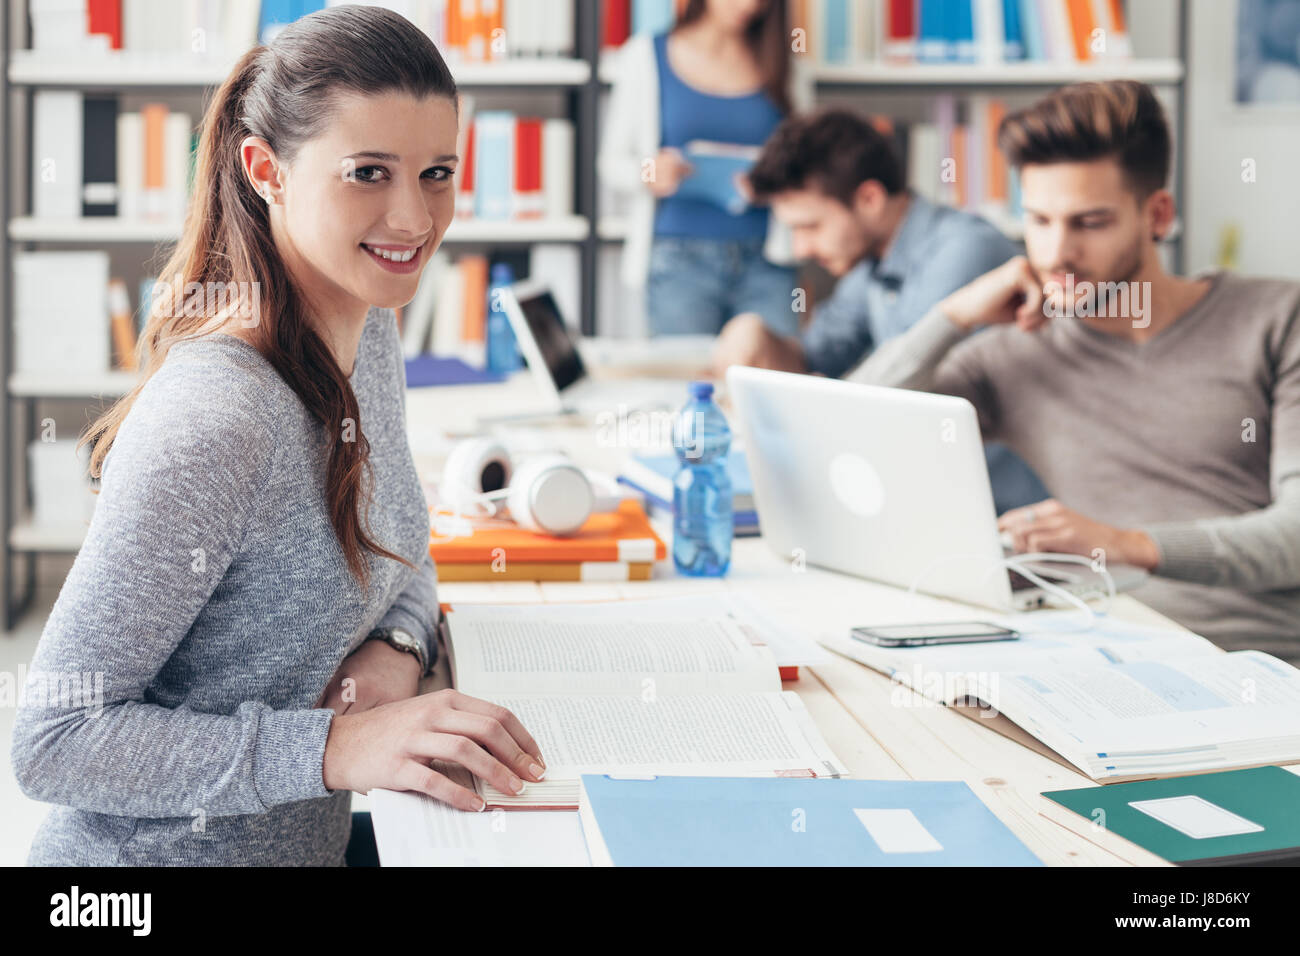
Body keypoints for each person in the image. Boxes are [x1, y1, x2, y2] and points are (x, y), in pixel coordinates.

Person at [10, 7, 544, 866]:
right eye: (368, 172)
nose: (413, 218)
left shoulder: (367, 325)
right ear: (267, 171)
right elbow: (54, 740)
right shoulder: (216, 424)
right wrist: (332, 748)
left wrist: (397, 648)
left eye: (437, 173)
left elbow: (405, 550)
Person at [851, 80, 1300, 663]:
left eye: (1088, 223)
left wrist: (1124, 544)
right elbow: (856, 435)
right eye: (1039, 220)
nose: (1057, 252)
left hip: (1259, 662)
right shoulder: (1013, 354)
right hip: (1094, 650)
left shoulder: (1276, 318)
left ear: (1156, 215)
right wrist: (954, 315)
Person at [711, 108, 1047, 513]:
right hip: (924, 494)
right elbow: (811, 358)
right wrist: (757, 337)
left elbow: (889, 401)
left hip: (1003, 514)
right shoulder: (871, 263)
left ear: (869, 199)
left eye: (810, 227)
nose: (800, 250)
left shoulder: (964, 250)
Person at [598, 0, 813, 337]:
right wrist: (653, 173)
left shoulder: (788, 66)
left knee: (771, 377)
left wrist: (774, 180)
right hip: (677, 262)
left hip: (768, 262)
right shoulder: (645, 56)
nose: (750, 5)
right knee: (685, 379)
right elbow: (611, 163)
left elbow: (809, 165)